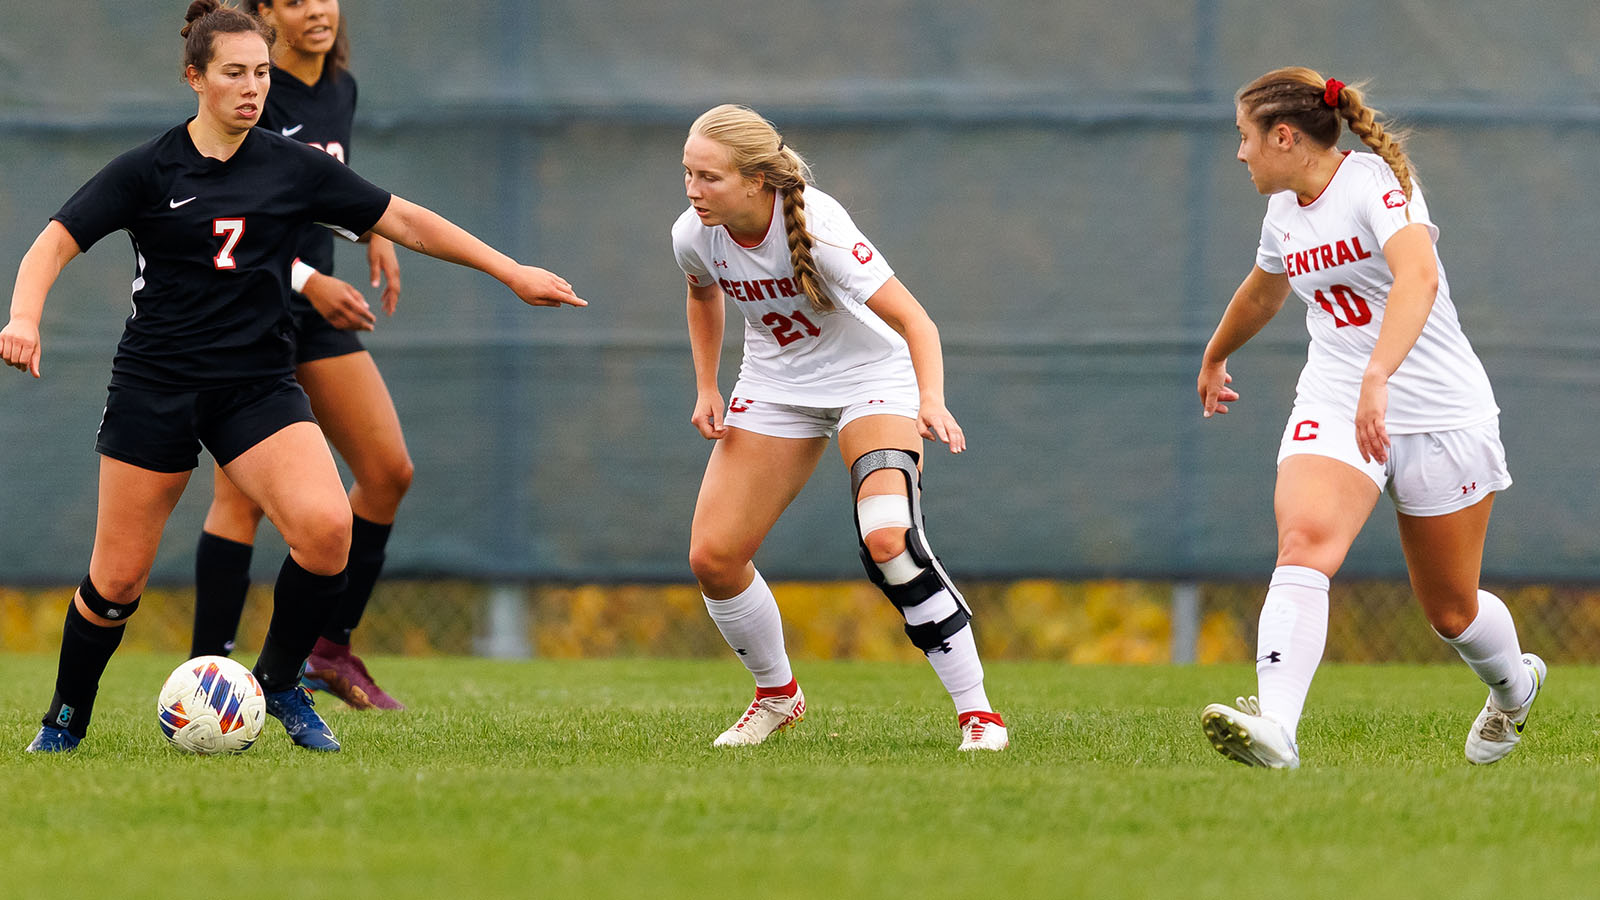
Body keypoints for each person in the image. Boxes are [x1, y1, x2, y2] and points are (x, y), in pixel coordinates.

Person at [3, 0, 583, 754]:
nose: (251, 88)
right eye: (234, 73)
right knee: (116, 581)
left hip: (257, 384)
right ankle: (65, 719)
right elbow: (52, 244)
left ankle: (277, 682)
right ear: (195, 78)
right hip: (158, 384)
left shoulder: (293, 165)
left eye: (261, 73)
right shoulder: (149, 169)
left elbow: (405, 220)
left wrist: (511, 272)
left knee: (326, 530)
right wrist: (23, 317)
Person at [1195, 67, 1542, 768]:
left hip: (1437, 410)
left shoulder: (1376, 185)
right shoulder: (1285, 208)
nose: (1240, 154)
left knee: (1452, 612)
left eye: (1246, 138)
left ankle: (1514, 690)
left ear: (1284, 136)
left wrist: (1379, 375)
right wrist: (1214, 355)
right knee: (1304, 542)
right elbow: (1264, 294)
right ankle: (1278, 730)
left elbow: (1419, 276)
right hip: (1333, 398)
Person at [673, 104, 1007, 752]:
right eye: (687, 173)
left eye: (708, 177)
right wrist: (708, 384)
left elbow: (918, 323)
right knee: (713, 559)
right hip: (775, 389)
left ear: (756, 181)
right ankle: (777, 696)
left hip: (873, 380)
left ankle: (979, 716)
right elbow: (701, 293)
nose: (693, 190)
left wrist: (930, 399)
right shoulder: (695, 232)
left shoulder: (818, 227)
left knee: (889, 541)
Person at [188, 0, 408, 711]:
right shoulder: (251, 89)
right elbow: (220, 217)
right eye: (292, 0)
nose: (315, 9)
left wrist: (368, 227)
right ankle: (206, 675)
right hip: (248, 308)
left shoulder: (337, 88)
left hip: (313, 314)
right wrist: (310, 280)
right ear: (263, 14)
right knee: (239, 498)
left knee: (386, 472)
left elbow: (316, 187)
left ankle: (327, 649)